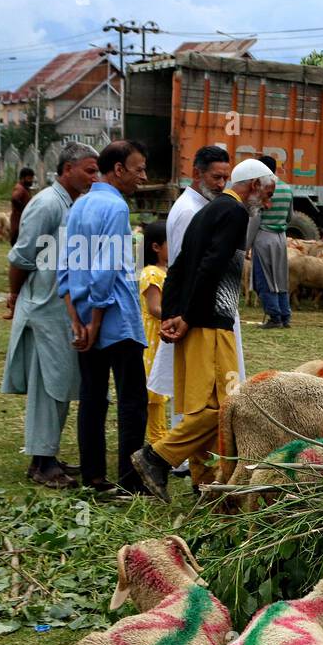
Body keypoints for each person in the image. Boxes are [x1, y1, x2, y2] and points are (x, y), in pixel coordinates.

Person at [131, 159, 275, 503]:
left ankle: (206, 483)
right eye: (267, 194)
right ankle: (158, 457)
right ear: (253, 185)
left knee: (200, 406)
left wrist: (173, 312)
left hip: (196, 320)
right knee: (227, 407)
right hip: (212, 323)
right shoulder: (235, 213)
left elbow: (180, 265)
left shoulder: (207, 211)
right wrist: (188, 316)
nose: (267, 204)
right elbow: (209, 267)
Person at [0, 142, 99, 488]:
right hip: (43, 307)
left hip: (61, 308)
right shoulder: (45, 204)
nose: (94, 177)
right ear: (67, 169)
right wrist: (15, 297)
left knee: (60, 383)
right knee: (48, 385)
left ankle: (47, 456)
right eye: (89, 170)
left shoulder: (71, 204)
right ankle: (42, 462)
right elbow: (21, 257)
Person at [59, 139, 149, 495]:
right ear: (118, 170)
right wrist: (96, 321)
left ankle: (94, 476)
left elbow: (65, 267)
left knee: (93, 397)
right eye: (138, 169)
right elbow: (106, 267)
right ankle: (131, 480)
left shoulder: (79, 205)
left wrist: (77, 320)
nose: (143, 176)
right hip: (115, 320)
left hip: (83, 319)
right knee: (132, 401)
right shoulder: (116, 209)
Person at [147, 145, 245, 453]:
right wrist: (184, 315)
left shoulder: (203, 206)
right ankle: (171, 455)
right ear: (196, 173)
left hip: (198, 310)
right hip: (201, 313)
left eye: (225, 178)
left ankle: (192, 460)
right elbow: (191, 266)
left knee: (203, 393)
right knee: (208, 397)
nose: (221, 184)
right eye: (216, 177)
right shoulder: (191, 210)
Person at [248, 154, 293, 329]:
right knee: (281, 278)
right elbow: (290, 216)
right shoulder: (287, 189)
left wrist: (246, 244)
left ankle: (274, 317)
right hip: (281, 238)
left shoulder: (262, 189)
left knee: (265, 278)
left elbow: (255, 220)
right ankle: (285, 315)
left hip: (263, 238)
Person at [139, 220, 170, 443]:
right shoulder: (151, 274)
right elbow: (154, 307)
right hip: (153, 337)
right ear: (156, 247)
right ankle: (158, 440)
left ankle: (160, 437)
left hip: (165, 335)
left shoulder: (167, 270)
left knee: (161, 389)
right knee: (154, 392)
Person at [10, 167, 35, 244]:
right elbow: (14, 199)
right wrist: (25, 210)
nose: (31, 180)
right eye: (29, 178)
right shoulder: (20, 188)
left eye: (32, 178)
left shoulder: (25, 188)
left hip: (23, 223)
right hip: (18, 224)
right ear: (22, 178)